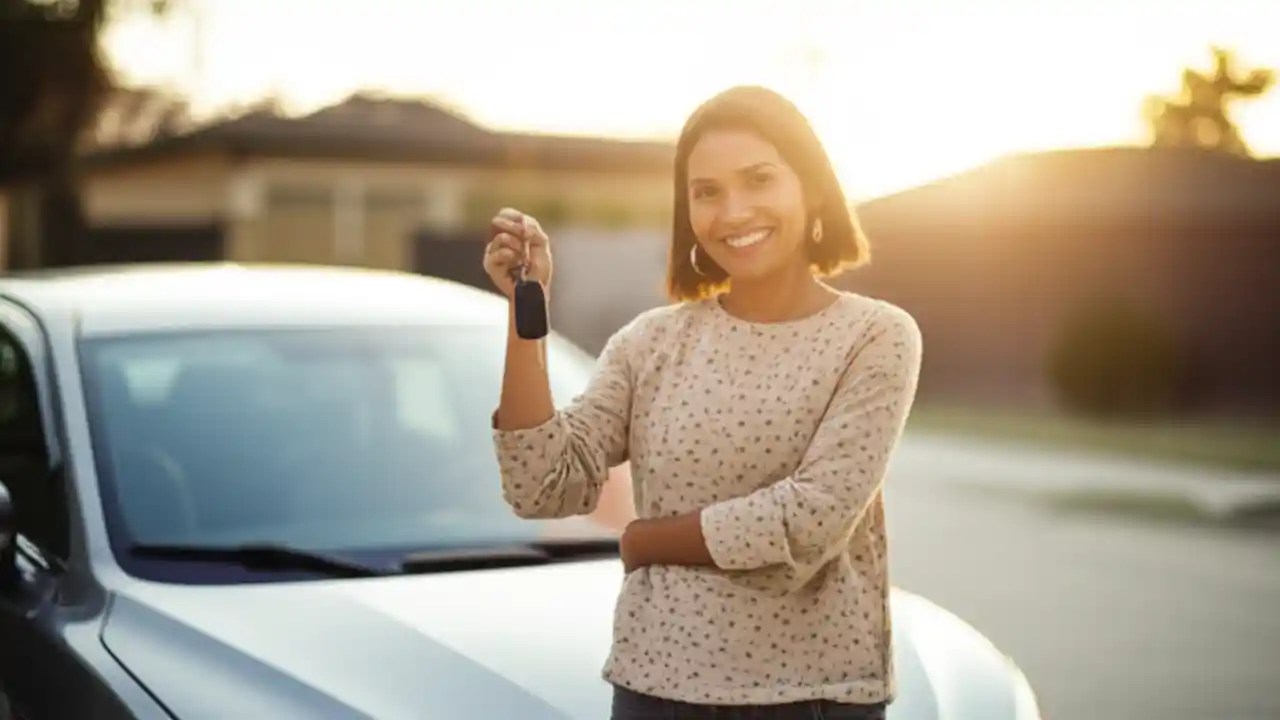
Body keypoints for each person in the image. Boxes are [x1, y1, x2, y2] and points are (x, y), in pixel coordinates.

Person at [483, 85, 922, 720]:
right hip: (654, 691)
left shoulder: (874, 336)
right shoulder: (651, 342)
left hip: (810, 699)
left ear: (814, 188)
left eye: (759, 180)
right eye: (707, 191)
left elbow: (810, 520)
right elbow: (541, 485)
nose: (733, 211)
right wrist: (525, 312)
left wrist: (648, 542)